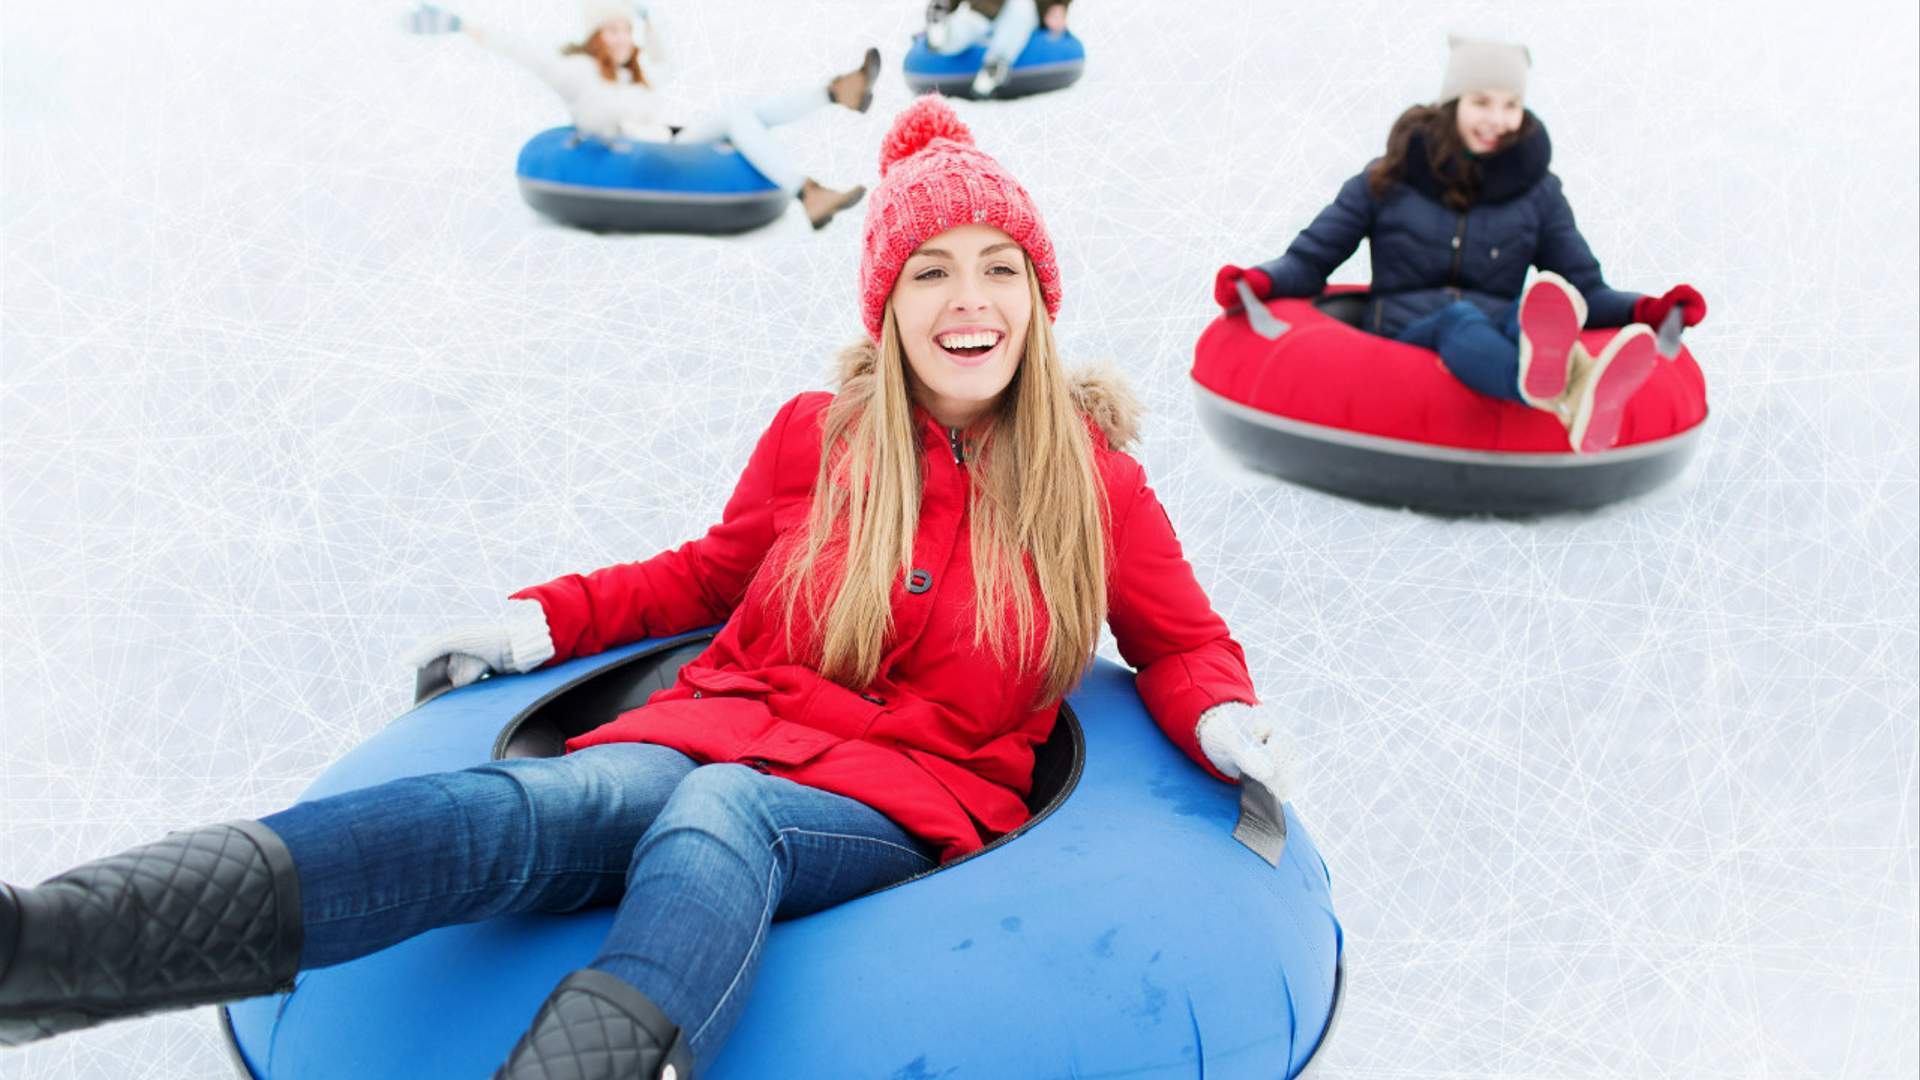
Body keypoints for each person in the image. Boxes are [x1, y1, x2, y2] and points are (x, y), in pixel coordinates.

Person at [0, 97, 1296, 1079]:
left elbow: (1181, 644)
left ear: (1039, 295)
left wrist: (1223, 719)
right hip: (714, 724)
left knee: (723, 811)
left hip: (903, 795)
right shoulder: (820, 437)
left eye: (997, 267)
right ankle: (61, 945)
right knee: (534, 807)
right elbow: (706, 577)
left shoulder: (1093, 487)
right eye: (931, 270)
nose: (970, 302)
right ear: (890, 299)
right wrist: (539, 621)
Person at [1214, 36, 1709, 453]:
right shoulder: (1386, 179)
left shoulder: (1538, 193)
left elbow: (1585, 292)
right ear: (1453, 104)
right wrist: (1258, 281)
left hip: (1499, 329)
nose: (1497, 120)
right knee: (1460, 318)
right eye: (1482, 102)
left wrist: (1647, 308)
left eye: (1510, 105)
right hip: (1403, 335)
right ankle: (1562, 395)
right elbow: (1310, 259)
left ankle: (1568, 384)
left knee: (1527, 311)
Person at [407, 1, 878, 228]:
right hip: (639, 154)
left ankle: (836, 91)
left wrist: (648, 20)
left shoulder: (634, 74)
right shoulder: (577, 72)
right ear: (595, 35)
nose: (620, 37)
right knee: (738, 115)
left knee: (743, 110)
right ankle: (809, 190)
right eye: (610, 29)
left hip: (670, 142)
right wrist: (461, 26)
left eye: (624, 30)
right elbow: (524, 52)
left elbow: (664, 60)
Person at [923, 0, 1071, 96]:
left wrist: (1057, 8)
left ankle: (995, 66)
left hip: (1023, 12)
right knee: (972, 22)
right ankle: (941, 32)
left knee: (1019, 13)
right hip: (985, 9)